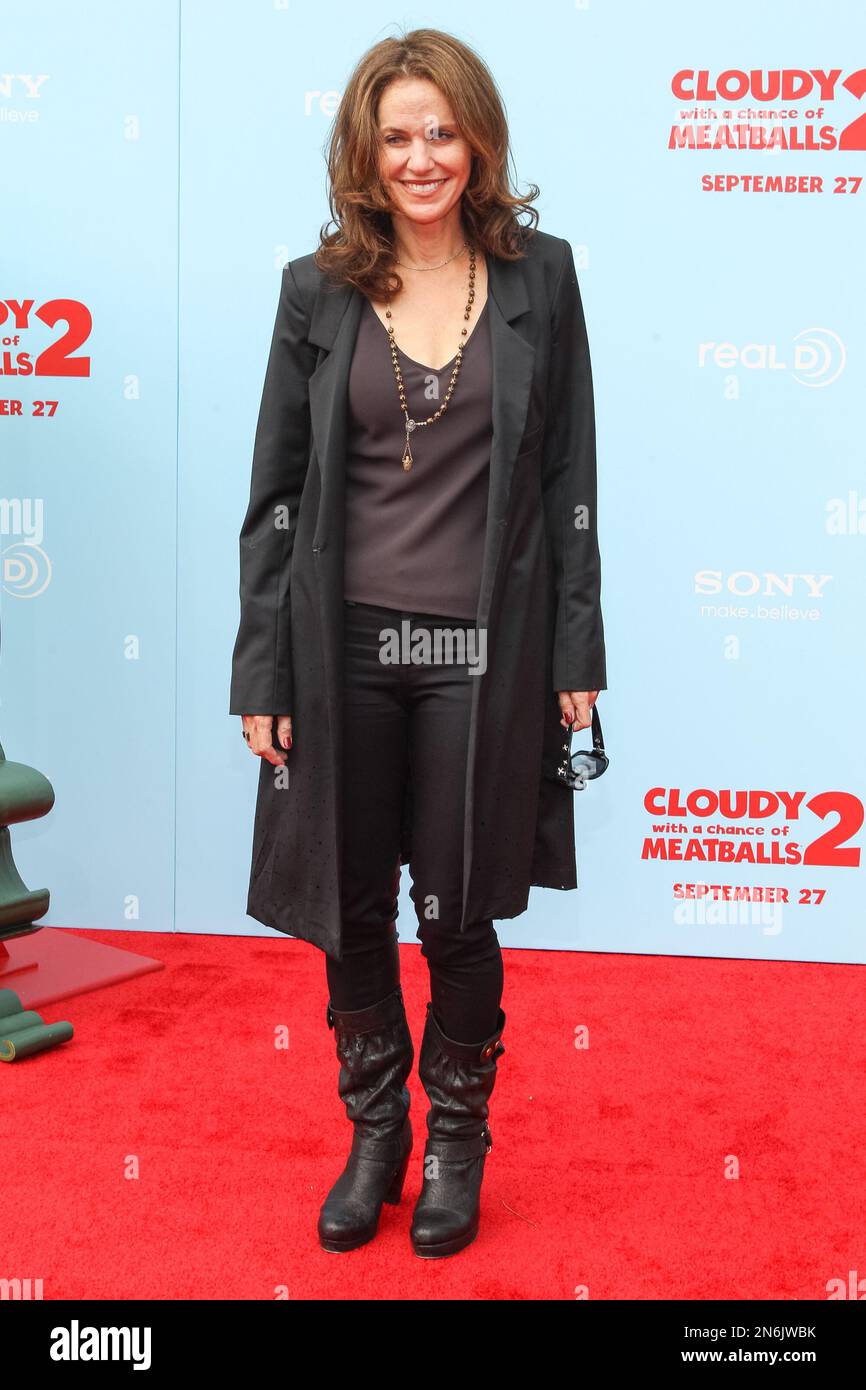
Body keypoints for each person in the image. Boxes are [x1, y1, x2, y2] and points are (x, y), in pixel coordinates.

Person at [229, 27, 607, 1260]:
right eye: (396, 135)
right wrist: (261, 668)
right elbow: (275, 493)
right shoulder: (316, 287)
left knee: (451, 912)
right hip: (336, 649)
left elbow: (567, 481)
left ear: (478, 139)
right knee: (347, 908)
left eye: (440, 130)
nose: (420, 156)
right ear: (364, 151)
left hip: (478, 658)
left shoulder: (540, 278)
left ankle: (456, 1137)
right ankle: (374, 1130)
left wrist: (572, 651)